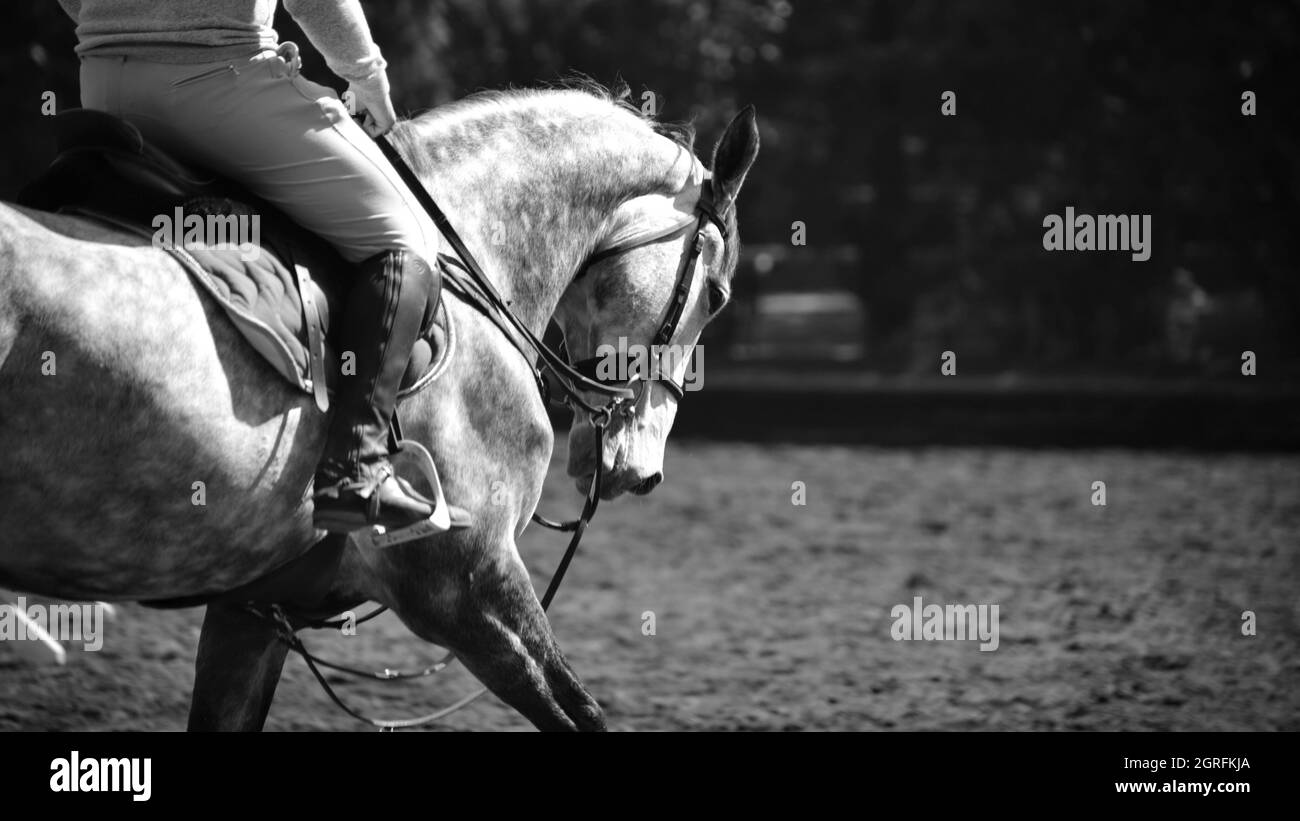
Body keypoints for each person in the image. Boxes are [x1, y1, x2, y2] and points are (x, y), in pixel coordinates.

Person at [54, 0, 470, 534]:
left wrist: (119, 27)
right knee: (406, 238)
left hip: (102, 85)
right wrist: (367, 78)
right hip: (218, 81)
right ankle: (358, 468)